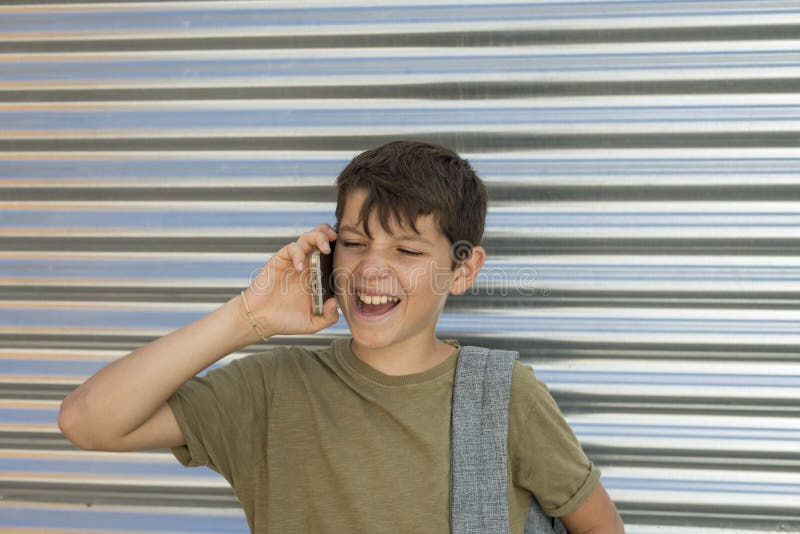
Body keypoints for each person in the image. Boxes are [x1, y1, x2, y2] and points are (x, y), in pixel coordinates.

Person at [58, 140, 624, 533]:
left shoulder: (502, 396)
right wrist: (246, 318)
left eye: (405, 250)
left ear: (462, 269)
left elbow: (597, 522)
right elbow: (86, 421)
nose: (371, 271)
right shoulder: (272, 389)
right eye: (354, 243)